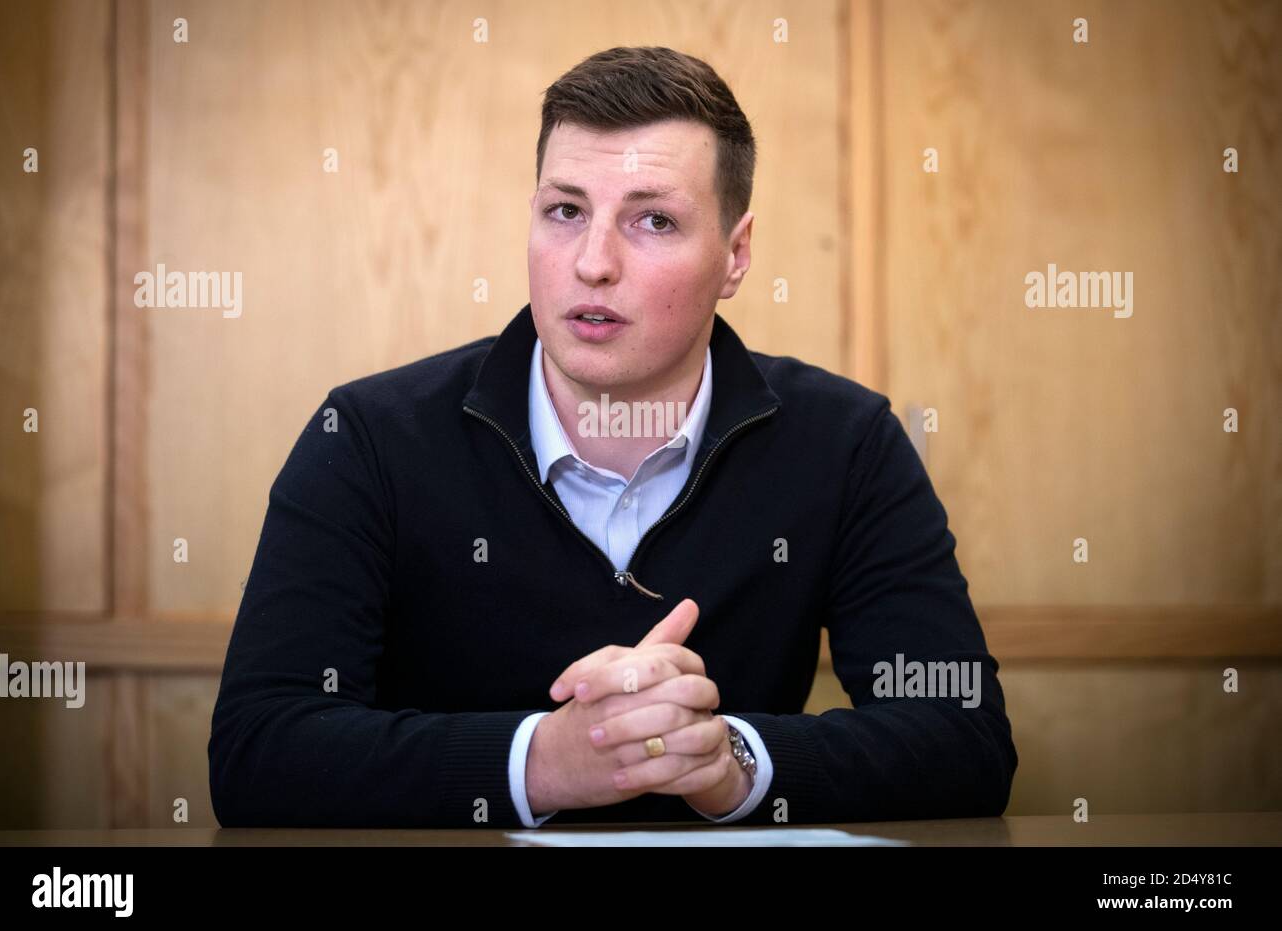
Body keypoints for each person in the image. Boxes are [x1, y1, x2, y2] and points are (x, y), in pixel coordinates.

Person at [208, 45, 1017, 828]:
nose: (592, 263)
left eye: (654, 221)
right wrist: (540, 760)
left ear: (735, 257)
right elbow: (256, 748)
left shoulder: (846, 441)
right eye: (565, 211)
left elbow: (965, 736)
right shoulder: (368, 437)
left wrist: (730, 756)